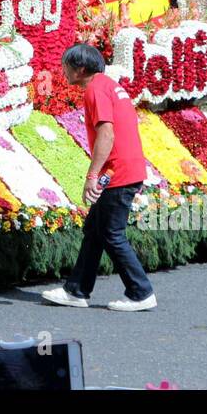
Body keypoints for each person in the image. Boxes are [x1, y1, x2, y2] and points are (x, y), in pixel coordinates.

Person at [42, 44, 156, 311]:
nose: (64, 71)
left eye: (66, 66)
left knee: (111, 232)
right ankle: (77, 290)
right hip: (125, 168)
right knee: (95, 230)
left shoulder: (95, 89)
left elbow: (106, 133)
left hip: (118, 172)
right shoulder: (107, 85)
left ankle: (140, 291)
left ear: (80, 69)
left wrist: (92, 175)